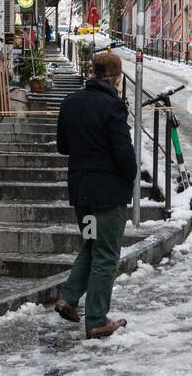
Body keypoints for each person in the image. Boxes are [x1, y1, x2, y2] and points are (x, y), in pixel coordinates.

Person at [55, 51, 138, 339]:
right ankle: (97, 320)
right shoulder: (113, 107)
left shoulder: (70, 103)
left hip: (81, 193)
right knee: (106, 255)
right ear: (116, 78)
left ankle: (68, 298)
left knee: (91, 245)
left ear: (92, 73)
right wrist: (130, 174)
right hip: (108, 193)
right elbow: (124, 152)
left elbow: (62, 147)